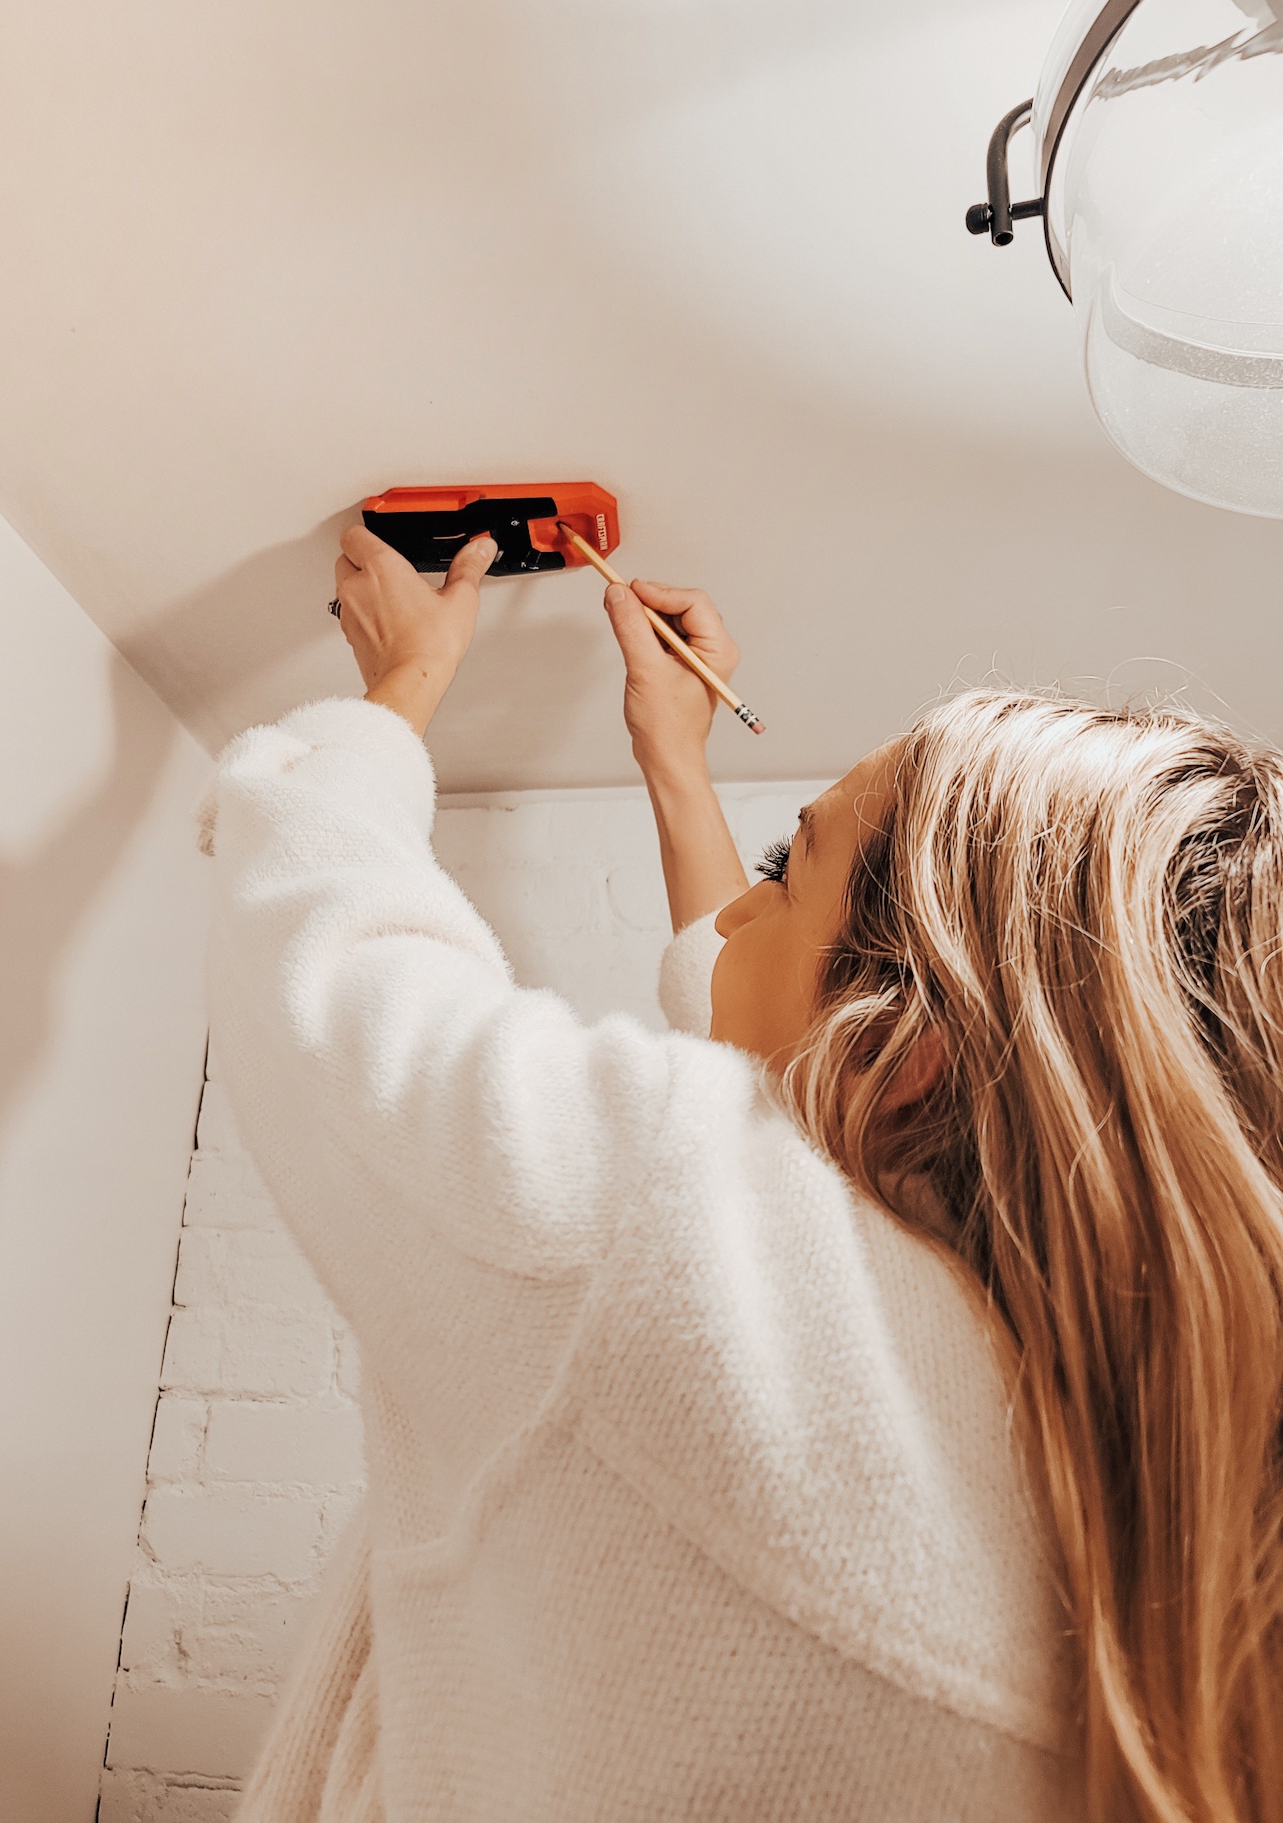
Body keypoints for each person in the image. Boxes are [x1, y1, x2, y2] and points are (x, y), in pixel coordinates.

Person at [198, 525, 1283, 1823]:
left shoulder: (678, 1236)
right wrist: (672, 761)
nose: (741, 912)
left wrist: (398, 690)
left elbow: (321, 943)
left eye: (787, 868)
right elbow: (758, 1047)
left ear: (908, 1056)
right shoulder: (1140, 1475)